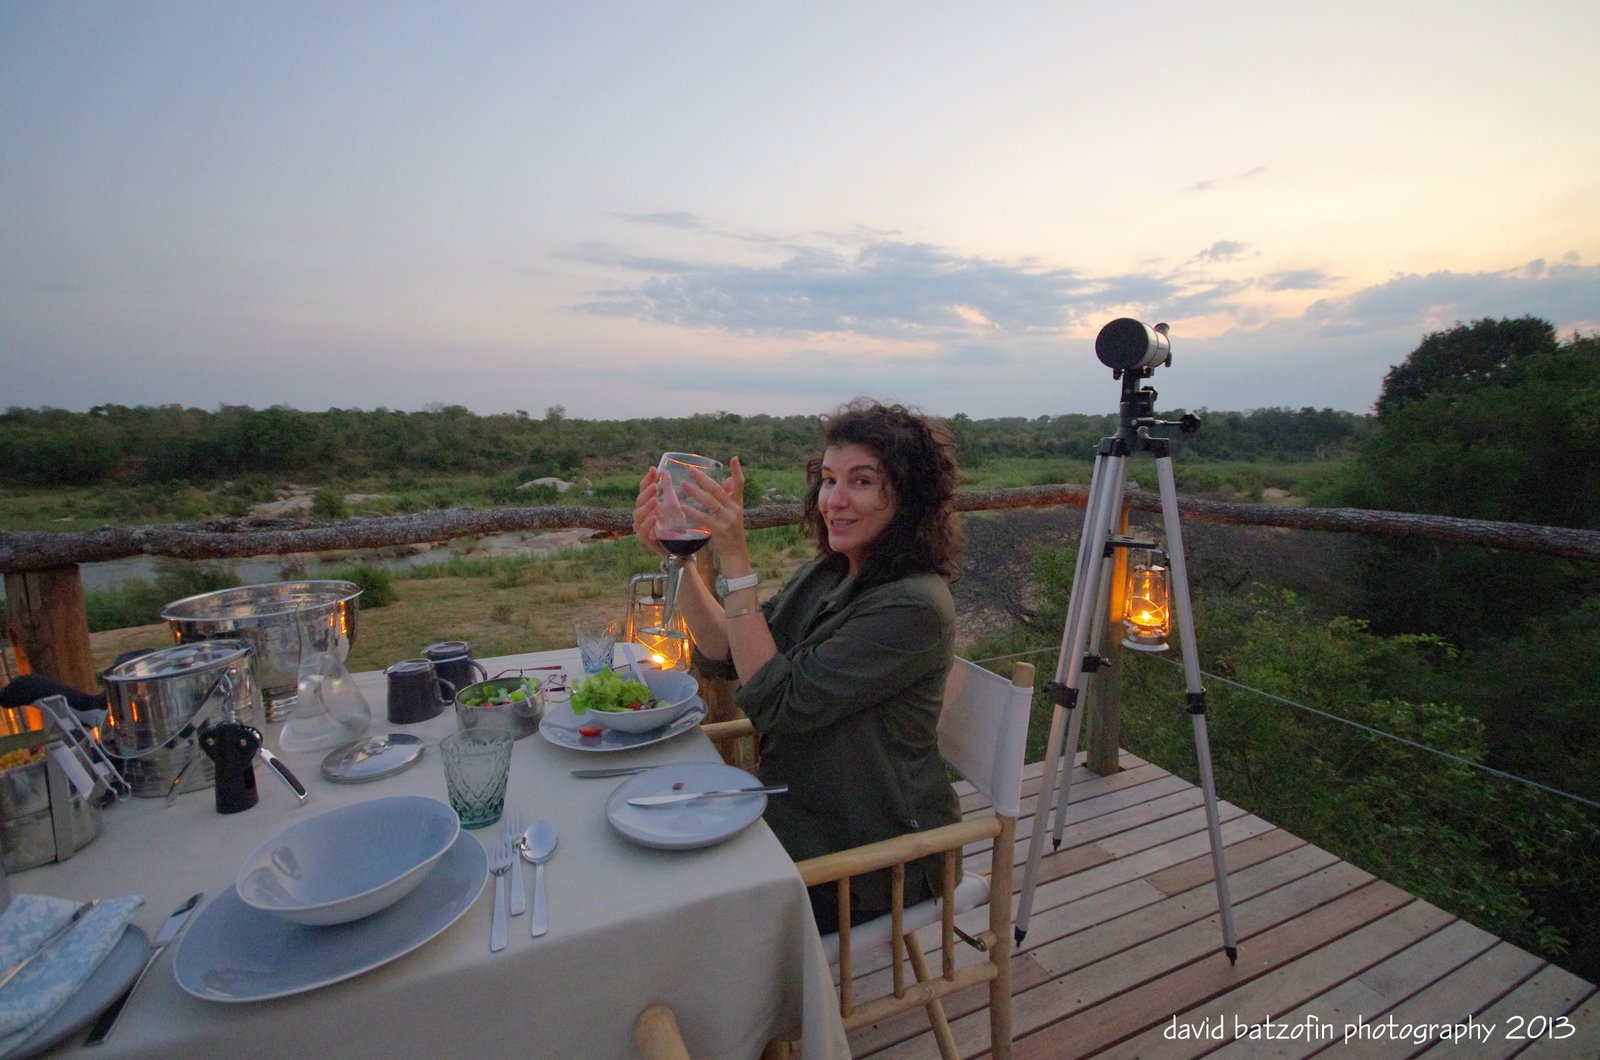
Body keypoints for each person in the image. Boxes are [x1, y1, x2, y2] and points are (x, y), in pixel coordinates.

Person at [632, 399, 965, 932]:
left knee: (680, 915)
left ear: (910, 496)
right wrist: (679, 558)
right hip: (793, 809)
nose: (835, 500)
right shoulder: (832, 572)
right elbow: (726, 651)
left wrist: (735, 559)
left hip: (871, 856)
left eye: (861, 481)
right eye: (829, 480)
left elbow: (778, 703)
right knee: (650, 872)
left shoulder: (912, 606)